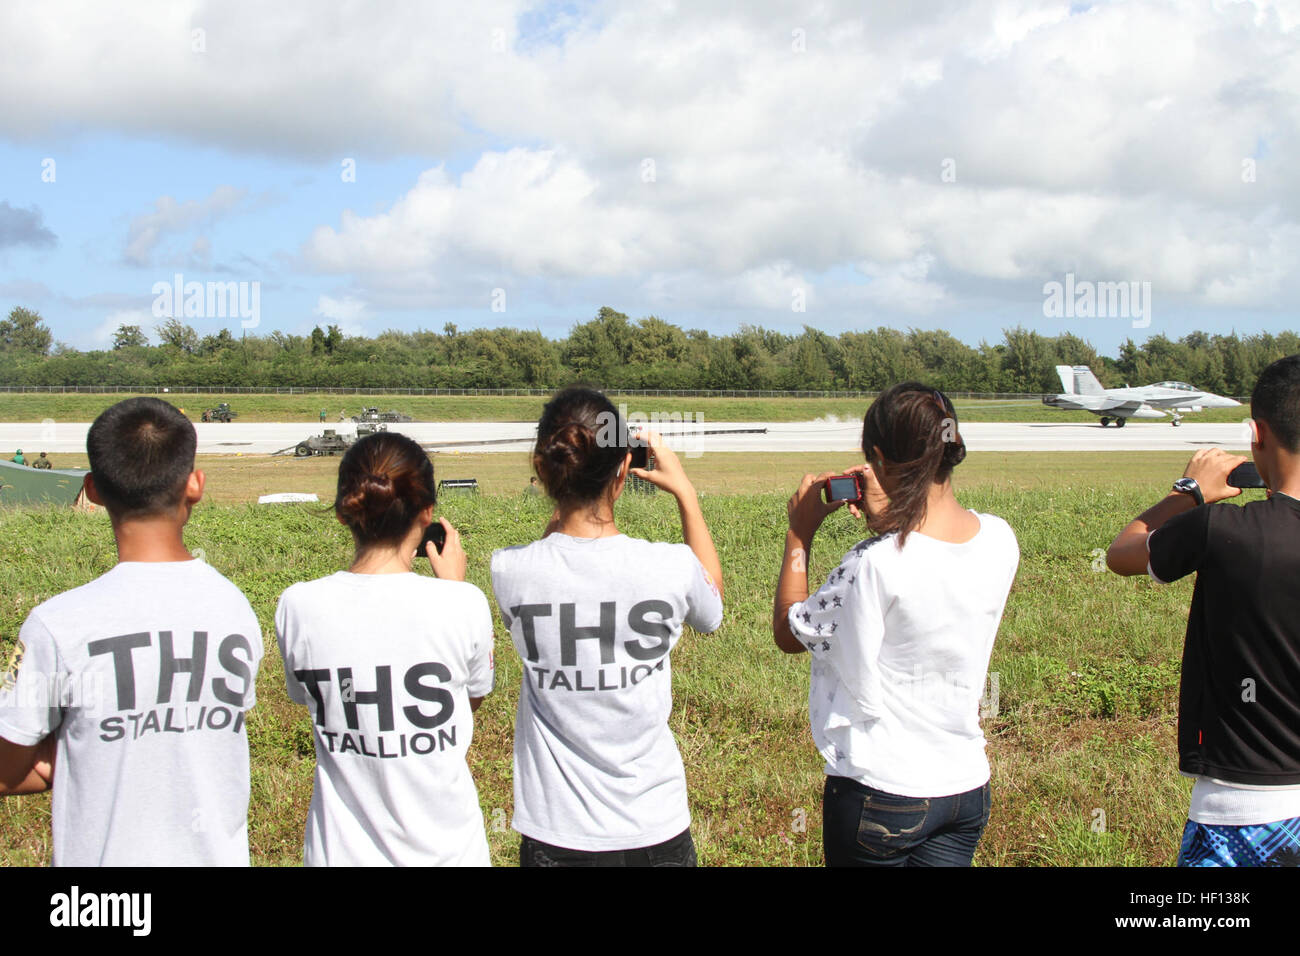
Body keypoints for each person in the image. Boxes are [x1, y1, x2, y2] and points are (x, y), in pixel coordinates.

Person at [0, 397, 263, 865]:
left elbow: (8, 770)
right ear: (195, 485)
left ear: (93, 489)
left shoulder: (57, 623)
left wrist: (86, 752)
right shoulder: (233, 607)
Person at [773, 383, 1019, 867]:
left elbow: (789, 632)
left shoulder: (873, 563)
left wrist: (799, 532)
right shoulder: (999, 537)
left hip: (882, 790)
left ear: (878, 458)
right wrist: (896, 520)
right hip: (965, 786)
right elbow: (930, 564)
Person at [490, 386, 724, 866]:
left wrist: (568, 488)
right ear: (624, 470)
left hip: (557, 831)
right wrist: (686, 493)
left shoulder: (509, 570)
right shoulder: (671, 566)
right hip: (654, 824)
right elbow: (712, 610)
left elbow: (555, 548)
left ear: (543, 468)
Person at [1107, 355, 1300, 867]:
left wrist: (1188, 493)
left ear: (1256, 434)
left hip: (1245, 810)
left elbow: (1123, 554)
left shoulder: (1224, 529)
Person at [275, 430, 495, 866]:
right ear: (427, 512)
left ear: (344, 512)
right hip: (449, 853)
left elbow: (317, 704)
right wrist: (453, 589)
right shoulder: (463, 602)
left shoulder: (298, 605)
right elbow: (466, 703)